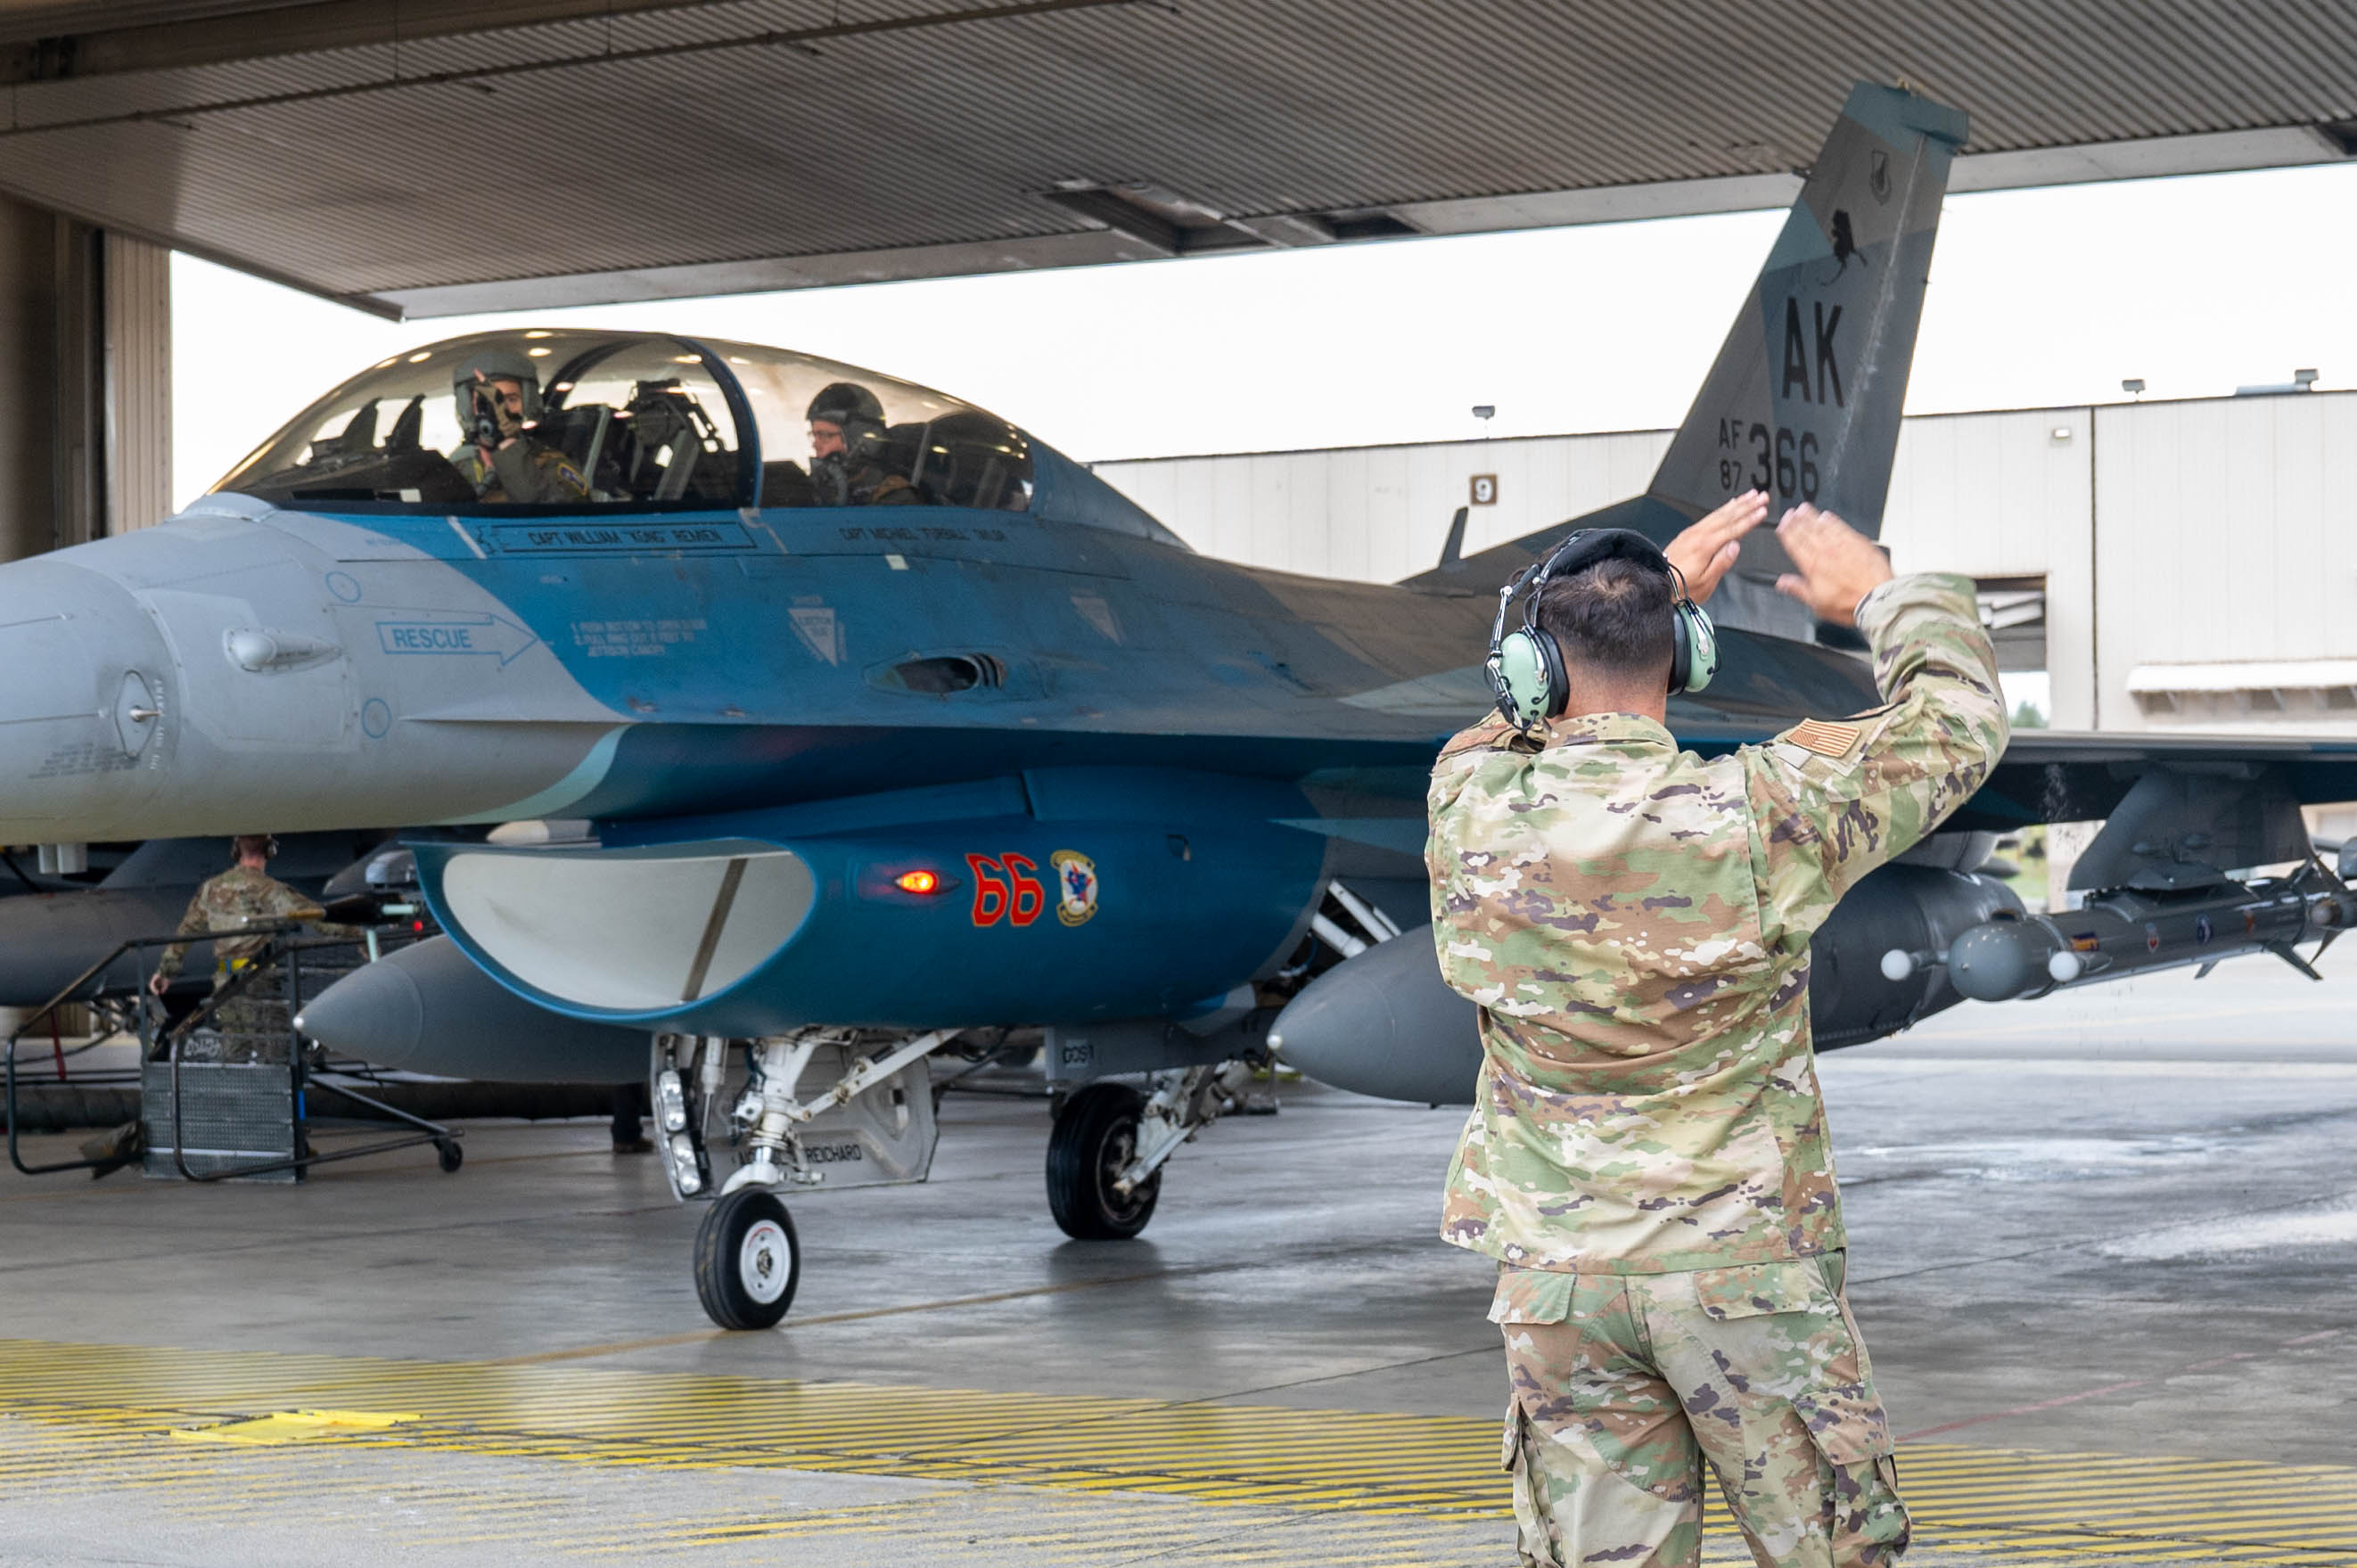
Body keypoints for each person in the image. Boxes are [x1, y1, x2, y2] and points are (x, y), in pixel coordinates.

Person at [1426, 493, 2008, 1568]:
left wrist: (1646, 602)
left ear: (1532, 672)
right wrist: (1881, 596)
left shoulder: (1468, 801)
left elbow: (1498, 725)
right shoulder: (1764, 811)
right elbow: (1955, 726)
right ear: (1687, 658)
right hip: (1744, 1279)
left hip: (1559, 1288)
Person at [146, 835, 364, 1067]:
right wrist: (360, 935)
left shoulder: (211, 888)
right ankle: (274, 1090)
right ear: (270, 851)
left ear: (236, 851)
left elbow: (187, 931)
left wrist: (165, 972)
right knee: (275, 1053)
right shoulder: (270, 890)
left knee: (234, 1052)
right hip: (258, 981)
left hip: (225, 982)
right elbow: (316, 918)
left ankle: (236, 1089)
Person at [448, 349, 589, 505]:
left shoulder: (552, 465)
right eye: (485, 402)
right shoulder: (456, 469)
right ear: (469, 408)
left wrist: (505, 441)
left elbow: (543, 508)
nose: (498, 410)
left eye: (510, 399)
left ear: (527, 404)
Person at [806, 382, 918, 506]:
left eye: (825, 435)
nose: (815, 445)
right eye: (814, 435)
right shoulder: (815, 489)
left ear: (859, 439)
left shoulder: (895, 498)